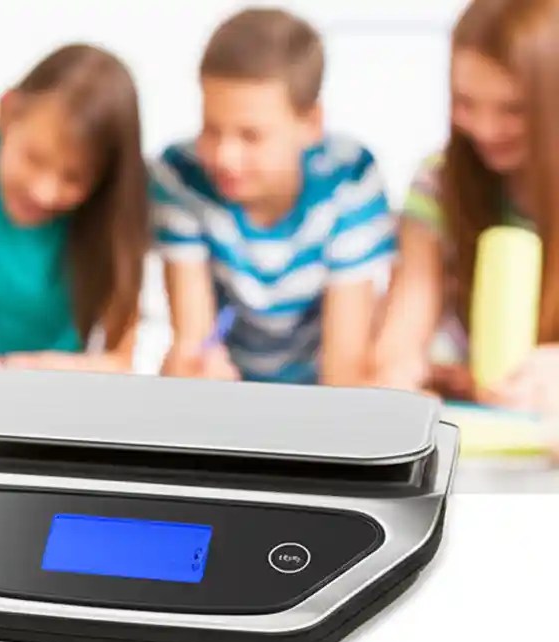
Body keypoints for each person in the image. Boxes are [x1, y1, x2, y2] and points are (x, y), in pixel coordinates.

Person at [153, 8, 396, 386]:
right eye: (210, 128)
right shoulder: (180, 176)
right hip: (227, 393)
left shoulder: (351, 179)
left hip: (322, 397)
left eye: (251, 136)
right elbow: (194, 341)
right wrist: (197, 373)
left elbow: (344, 367)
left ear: (311, 125)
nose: (224, 156)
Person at [0, 44, 151, 389]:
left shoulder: (114, 213)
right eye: (33, 158)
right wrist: (66, 369)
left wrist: (13, 367)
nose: (45, 191)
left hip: (59, 412)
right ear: (6, 111)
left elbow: (121, 364)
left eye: (73, 178)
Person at [372, 0, 559, 413]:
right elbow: (405, 326)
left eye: (513, 109)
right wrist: (397, 373)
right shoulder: (437, 184)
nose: (485, 128)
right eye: (466, 102)